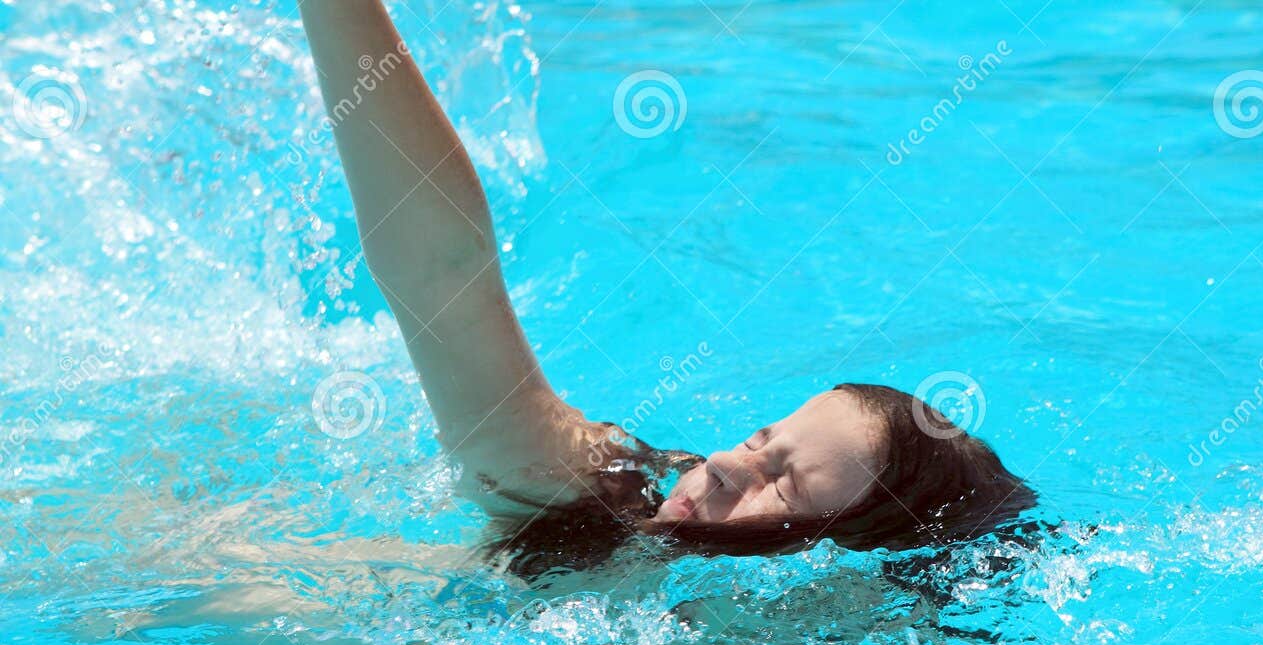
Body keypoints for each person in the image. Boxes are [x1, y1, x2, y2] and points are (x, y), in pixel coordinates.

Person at [295, 1, 1033, 575]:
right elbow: (443, 277)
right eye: (758, 440)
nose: (725, 466)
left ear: (842, 557)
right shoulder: (605, 498)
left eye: (784, 486)